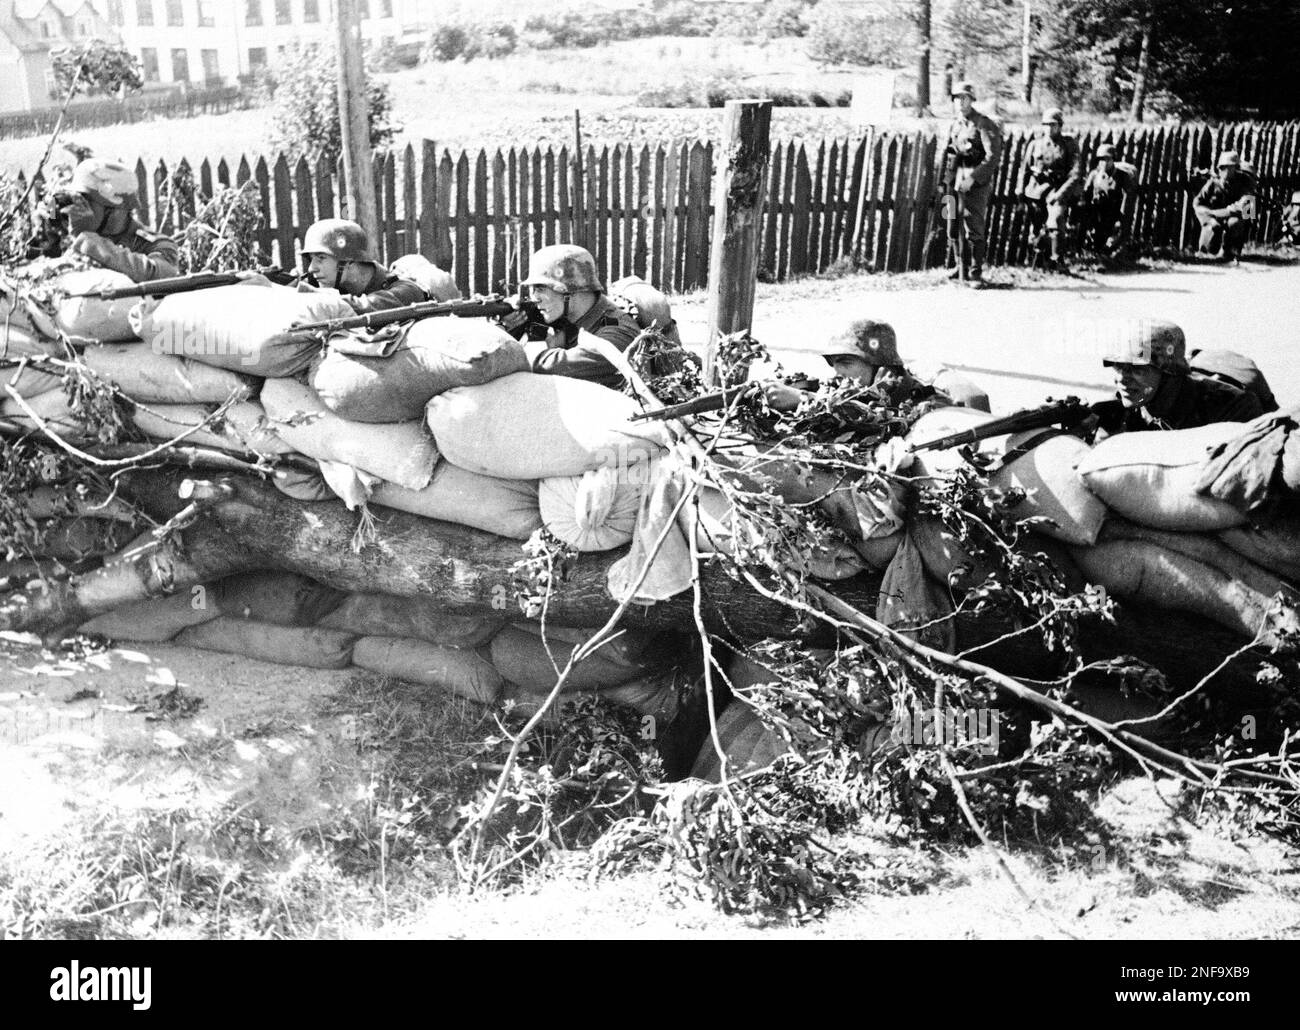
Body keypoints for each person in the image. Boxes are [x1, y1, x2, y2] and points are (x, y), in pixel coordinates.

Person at [510, 244, 643, 390]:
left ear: (570, 290)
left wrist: (516, 352)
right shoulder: (570, 317)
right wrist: (511, 325)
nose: (535, 298)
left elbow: (552, 366)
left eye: (541, 288)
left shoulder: (617, 331)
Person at [1094, 319, 1263, 434]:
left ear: (1169, 371)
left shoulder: (1231, 408)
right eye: (1118, 367)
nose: (1122, 379)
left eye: (1137, 369)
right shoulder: (1125, 403)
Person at [26, 158, 179, 282]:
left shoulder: (157, 244)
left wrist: (87, 238)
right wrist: (47, 235)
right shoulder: (69, 231)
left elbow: (159, 275)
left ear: (115, 210)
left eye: (86, 200)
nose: (77, 205)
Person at [765, 319, 952, 412]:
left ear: (882, 369)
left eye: (846, 363)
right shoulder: (859, 388)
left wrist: (806, 399)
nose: (837, 372)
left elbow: (875, 418)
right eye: (834, 363)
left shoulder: (926, 404)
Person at [943, 81, 1003, 286]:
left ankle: (975, 272)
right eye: (957, 98)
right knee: (951, 223)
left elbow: (992, 157)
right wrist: (946, 182)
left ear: (972, 100)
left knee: (973, 228)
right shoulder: (955, 124)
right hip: (954, 180)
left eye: (964, 98)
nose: (960, 102)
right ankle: (960, 265)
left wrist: (972, 178)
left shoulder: (984, 123)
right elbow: (950, 152)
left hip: (975, 182)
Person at [299, 218, 425, 313]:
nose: (311, 268)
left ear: (348, 261)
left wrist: (308, 293)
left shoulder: (405, 291)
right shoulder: (335, 283)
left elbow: (362, 306)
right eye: (311, 259)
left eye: (321, 258)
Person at [1021, 108, 1082, 269]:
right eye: (1046, 125)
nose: (1048, 128)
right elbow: (1025, 170)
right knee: (1037, 227)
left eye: (1053, 125)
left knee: (1056, 222)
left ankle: (1057, 261)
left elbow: (1075, 174)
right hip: (1036, 191)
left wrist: (1061, 194)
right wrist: (1021, 192)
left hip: (1057, 190)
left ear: (1060, 126)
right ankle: (1038, 262)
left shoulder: (1069, 145)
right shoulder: (1035, 145)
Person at [1193, 151, 1257, 261]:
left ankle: (1230, 252)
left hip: (1239, 216)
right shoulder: (1213, 183)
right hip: (1217, 216)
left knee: (1235, 222)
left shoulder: (1246, 182)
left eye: (1230, 168)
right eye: (1223, 168)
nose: (1226, 171)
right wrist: (1208, 217)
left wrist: (1216, 213)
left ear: (1237, 168)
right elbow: (1197, 203)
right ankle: (1204, 253)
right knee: (1212, 225)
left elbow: (1246, 207)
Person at [1077, 143, 1135, 256]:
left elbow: (1128, 196)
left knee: (1109, 234)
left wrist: (1122, 216)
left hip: (1113, 211)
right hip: (1097, 209)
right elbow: (1086, 193)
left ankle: (1108, 251)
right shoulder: (1094, 174)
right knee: (1084, 220)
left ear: (1113, 159)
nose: (1104, 162)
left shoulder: (1121, 175)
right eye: (1101, 159)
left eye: (1107, 159)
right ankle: (1081, 250)